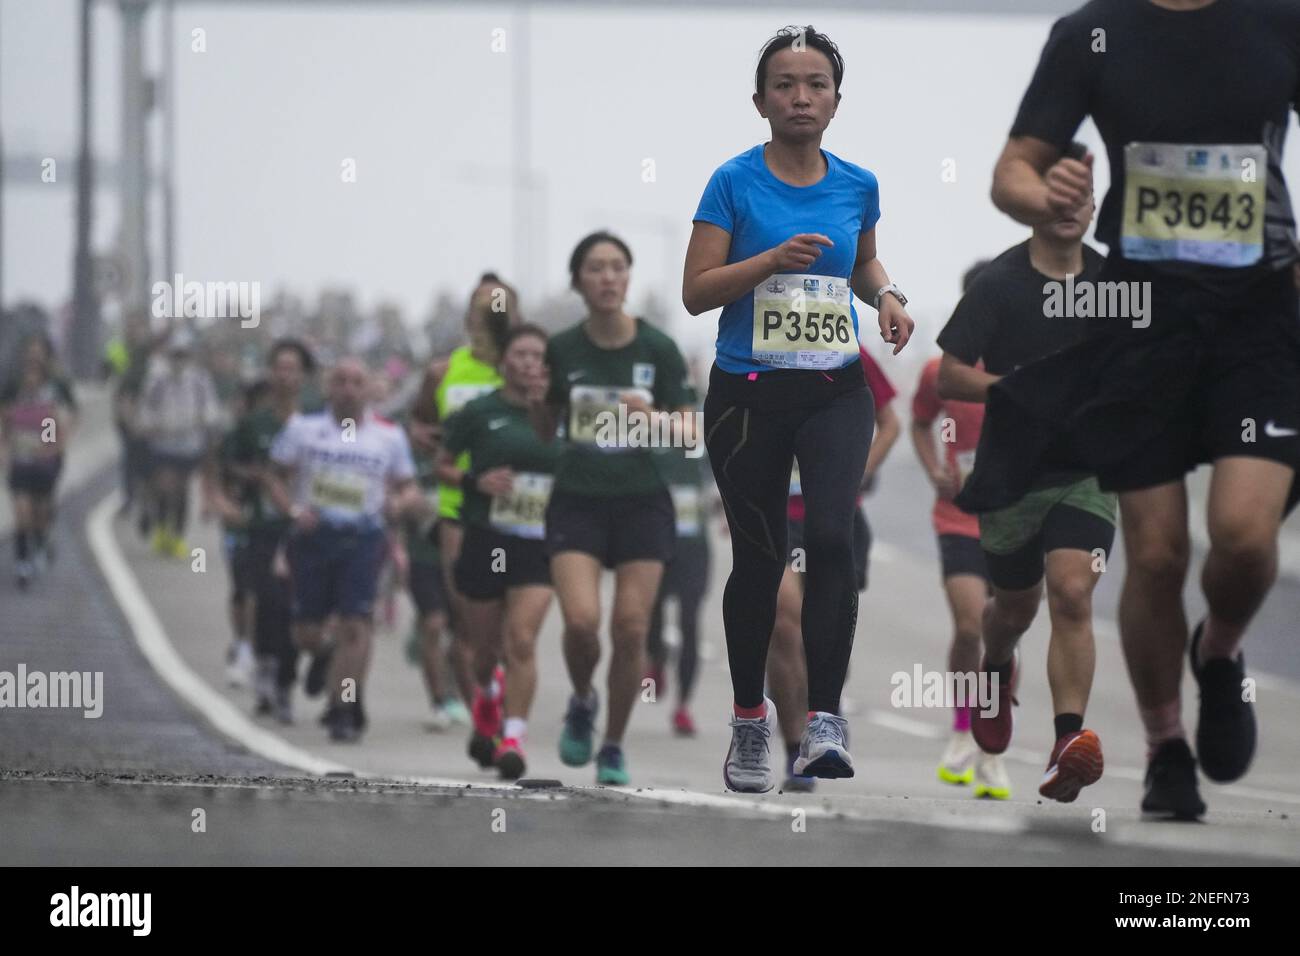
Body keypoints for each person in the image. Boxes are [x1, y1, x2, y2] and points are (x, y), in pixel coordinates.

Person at [968, 0, 1300, 819]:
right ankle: (1166, 749)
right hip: (1140, 318)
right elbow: (1012, 169)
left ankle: (1217, 651)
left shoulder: (1279, 20)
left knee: (1247, 540)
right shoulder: (1090, 33)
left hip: (1259, 316)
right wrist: (1045, 198)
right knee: (1153, 557)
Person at [682, 25, 914, 792]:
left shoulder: (858, 183)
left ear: (837, 101)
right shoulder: (732, 183)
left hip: (833, 390)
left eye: (815, 84)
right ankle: (751, 719)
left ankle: (822, 723)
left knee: (830, 536)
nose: (801, 96)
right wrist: (768, 262)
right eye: (785, 84)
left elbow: (863, 259)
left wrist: (884, 295)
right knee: (759, 559)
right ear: (760, 100)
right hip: (746, 396)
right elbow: (696, 292)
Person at [938, 183, 1114, 804]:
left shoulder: (1115, 280)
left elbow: (1153, 356)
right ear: (1034, 203)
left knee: (1071, 591)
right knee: (1013, 609)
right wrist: (1011, 390)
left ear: (1093, 208)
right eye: (1055, 195)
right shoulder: (1001, 282)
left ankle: (1068, 742)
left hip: (1087, 469)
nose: (1068, 207)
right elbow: (949, 371)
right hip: (1012, 472)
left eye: (1081, 197)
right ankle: (995, 666)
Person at [527, 231, 696, 786]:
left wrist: (656, 421)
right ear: (578, 281)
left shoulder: (658, 349)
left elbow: (691, 432)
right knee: (581, 624)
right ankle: (581, 699)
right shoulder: (563, 350)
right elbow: (545, 429)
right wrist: (535, 401)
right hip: (577, 502)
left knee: (630, 628)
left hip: (642, 504)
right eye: (595, 268)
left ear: (628, 278)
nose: (607, 277)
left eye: (617, 267)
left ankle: (615, 745)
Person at [766, 344, 898, 793]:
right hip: (778, 513)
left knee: (820, 631)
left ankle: (823, 712)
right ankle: (792, 746)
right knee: (783, 624)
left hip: (836, 514)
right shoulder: (760, 340)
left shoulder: (844, 345)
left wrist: (856, 471)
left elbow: (891, 422)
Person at [266, 357, 420, 742]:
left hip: (363, 539)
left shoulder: (388, 436)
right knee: (306, 633)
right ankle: (322, 653)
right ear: (327, 388)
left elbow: (408, 487)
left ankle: (343, 707)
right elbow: (274, 476)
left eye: (357, 381)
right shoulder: (302, 430)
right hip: (314, 539)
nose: (349, 388)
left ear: (369, 389)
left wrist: (398, 506)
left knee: (356, 623)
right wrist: (293, 510)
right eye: (340, 381)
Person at [908, 260, 1011, 799]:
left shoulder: (1026, 366)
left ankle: (994, 751)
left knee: (1004, 632)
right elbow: (919, 420)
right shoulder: (939, 372)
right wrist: (934, 471)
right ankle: (962, 729)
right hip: (958, 517)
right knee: (972, 626)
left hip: (1017, 515)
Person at [439, 324, 559, 779]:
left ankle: (513, 737)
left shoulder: (559, 414)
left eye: (537, 356)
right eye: (521, 354)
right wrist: (476, 481)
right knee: (484, 651)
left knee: (522, 641)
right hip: (488, 537)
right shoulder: (479, 412)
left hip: (541, 542)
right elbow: (443, 465)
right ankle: (487, 696)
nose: (529, 363)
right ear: (504, 361)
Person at [409, 274, 522, 737]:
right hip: (460, 502)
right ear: (468, 317)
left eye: (503, 304)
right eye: (484, 304)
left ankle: (499, 706)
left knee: (513, 625)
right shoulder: (443, 371)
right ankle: (483, 708)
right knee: (467, 612)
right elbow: (418, 423)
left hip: (518, 507)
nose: (494, 310)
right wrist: (424, 438)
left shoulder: (526, 369)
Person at [215, 339, 317, 722]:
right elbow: (228, 464)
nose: (285, 375)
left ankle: (291, 675)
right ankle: (269, 672)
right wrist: (253, 478)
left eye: (293, 368)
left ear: (304, 376)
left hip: (307, 529)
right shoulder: (253, 424)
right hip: (263, 526)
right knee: (269, 603)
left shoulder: (317, 423)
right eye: (279, 367)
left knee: (301, 609)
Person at [644, 400, 713, 737]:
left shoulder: (699, 446)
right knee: (651, 616)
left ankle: (683, 705)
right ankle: (655, 659)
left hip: (693, 548)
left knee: (690, 623)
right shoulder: (650, 446)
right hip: (655, 545)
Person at [134, 329, 223, 560]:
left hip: (189, 444)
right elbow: (146, 407)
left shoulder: (199, 380)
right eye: (175, 355)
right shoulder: (158, 380)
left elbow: (211, 408)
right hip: (163, 443)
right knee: (165, 486)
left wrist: (206, 424)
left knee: (182, 490)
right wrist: (150, 425)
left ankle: (177, 535)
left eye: (183, 355)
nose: (179, 360)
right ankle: (162, 526)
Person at [1, 334, 77, 589]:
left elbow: (57, 430)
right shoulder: (12, 392)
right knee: (22, 512)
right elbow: (5, 425)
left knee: (41, 512)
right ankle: (23, 562)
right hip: (20, 464)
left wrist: (50, 448)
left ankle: (42, 542)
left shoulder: (52, 395)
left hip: (44, 465)